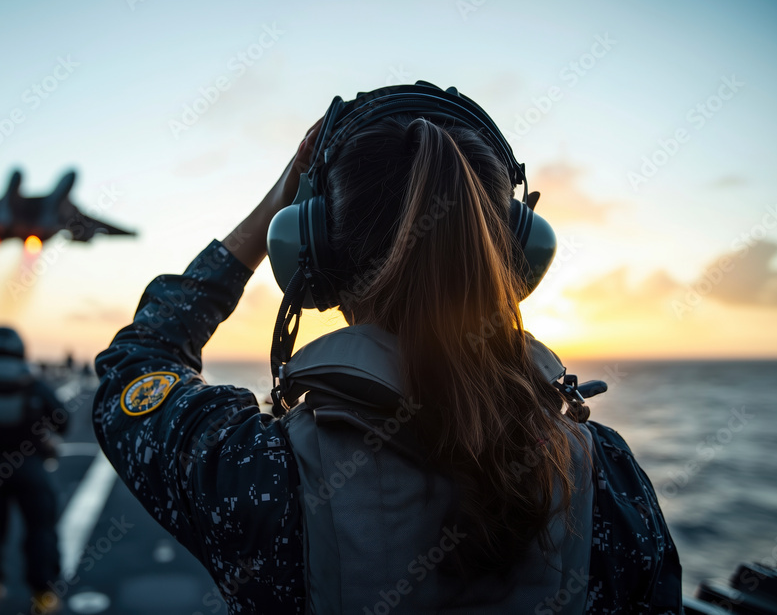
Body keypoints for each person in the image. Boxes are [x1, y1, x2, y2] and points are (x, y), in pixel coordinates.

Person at [93, 82, 681, 613]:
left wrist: (275, 202)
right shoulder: (608, 479)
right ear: (519, 256)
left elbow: (137, 363)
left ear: (311, 251)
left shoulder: (254, 473)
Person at [0, 326, 68, 614]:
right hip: (31, 465)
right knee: (41, 530)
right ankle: (43, 595)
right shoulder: (33, 381)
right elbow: (63, 419)